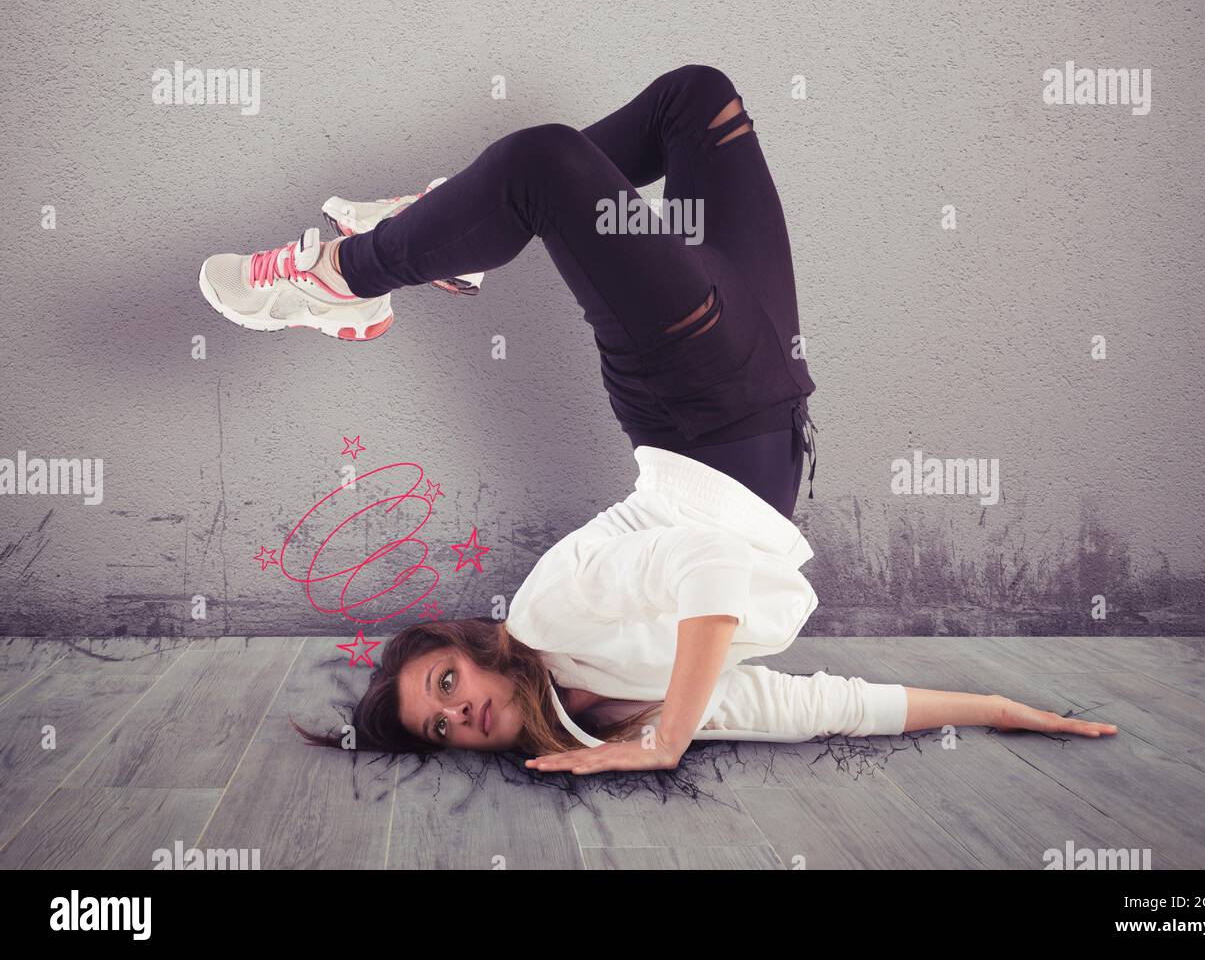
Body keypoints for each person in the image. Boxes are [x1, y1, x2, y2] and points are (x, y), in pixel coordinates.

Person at [198, 64, 1118, 772]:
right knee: (697, 102)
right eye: (441, 729)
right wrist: (996, 710)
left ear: (469, 649)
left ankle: (343, 277)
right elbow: (810, 707)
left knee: (540, 163)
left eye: (445, 683)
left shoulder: (546, 617)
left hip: (695, 405)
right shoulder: (621, 721)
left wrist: (667, 743)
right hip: (770, 387)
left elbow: (708, 564)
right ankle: (448, 225)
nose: (459, 711)